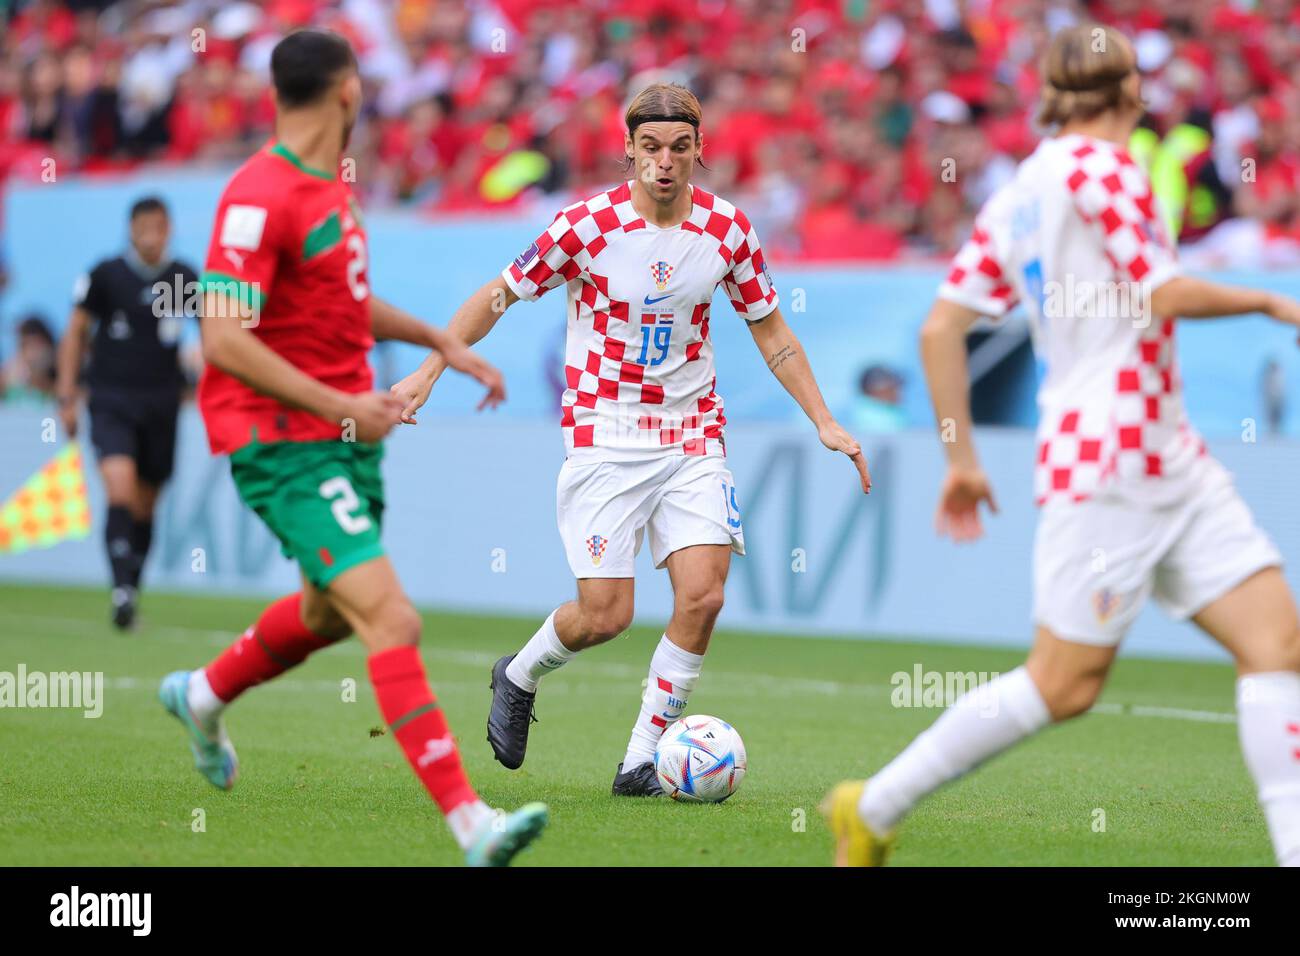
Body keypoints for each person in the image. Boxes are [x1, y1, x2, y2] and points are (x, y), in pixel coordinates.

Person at [823, 25, 1300, 867]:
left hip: (1160, 454)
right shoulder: (1108, 168)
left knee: (1277, 645)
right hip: (1115, 458)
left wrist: (961, 459)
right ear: (1135, 94)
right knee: (1064, 682)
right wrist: (1271, 306)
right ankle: (875, 805)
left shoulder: (1026, 186)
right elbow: (1166, 294)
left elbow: (941, 329)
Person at [392, 83, 871, 796]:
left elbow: (772, 333)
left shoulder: (729, 231)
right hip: (606, 435)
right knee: (604, 615)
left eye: (680, 147)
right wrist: (431, 368)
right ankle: (517, 675)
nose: (665, 162)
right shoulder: (583, 227)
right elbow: (498, 295)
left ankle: (640, 761)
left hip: (692, 434)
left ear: (699, 149)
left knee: (703, 597)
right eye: (651, 148)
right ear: (629, 149)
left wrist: (824, 420)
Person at [157, 29, 547, 866]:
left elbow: (347, 306)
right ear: (348, 91)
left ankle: (202, 694)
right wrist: (342, 404)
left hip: (344, 439)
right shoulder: (258, 193)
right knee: (389, 615)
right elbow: (225, 339)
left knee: (328, 611)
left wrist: (444, 341)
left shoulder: (334, 192)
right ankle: (472, 825)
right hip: (284, 441)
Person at [57, 197, 198, 629]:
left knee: (146, 503)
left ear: (169, 229)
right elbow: (76, 331)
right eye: (144, 228)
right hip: (111, 398)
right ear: (131, 230)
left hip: (161, 404)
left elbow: (214, 337)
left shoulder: (183, 278)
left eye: (159, 227)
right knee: (119, 488)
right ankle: (120, 590)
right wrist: (67, 395)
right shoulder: (106, 276)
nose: (152, 236)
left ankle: (131, 587)